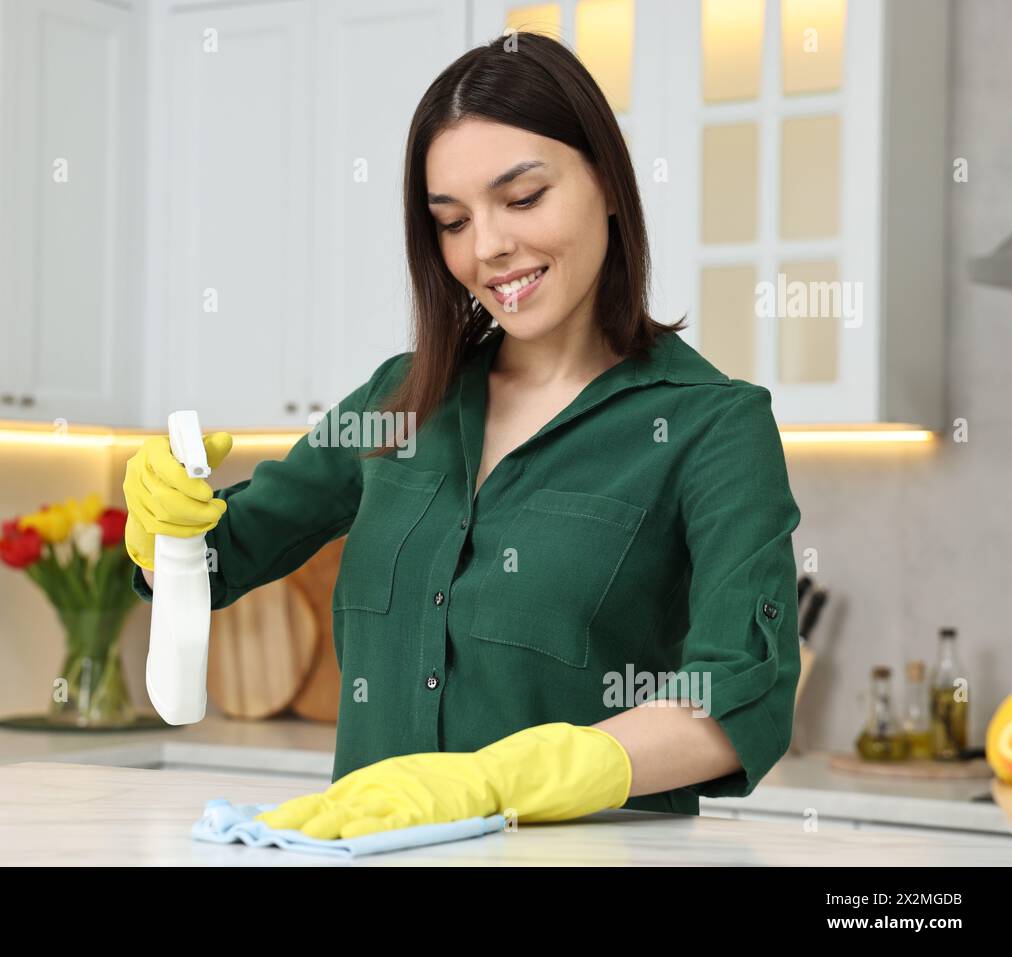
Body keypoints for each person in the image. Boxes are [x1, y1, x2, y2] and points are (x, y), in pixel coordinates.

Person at [123, 31, 801, 839]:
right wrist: (165, 526)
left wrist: (502, 779)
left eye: (522, 198)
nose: (488, 247)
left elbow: (738, 694)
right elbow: (218, 557)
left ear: (609, 183)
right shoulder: (401, 400)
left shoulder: (712, 426)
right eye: (451, 221)